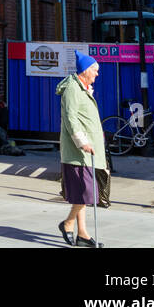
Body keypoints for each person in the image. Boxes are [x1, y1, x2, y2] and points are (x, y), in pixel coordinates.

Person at [56, 50, 105, 247]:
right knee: (87, 192)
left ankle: (82, 233)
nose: (97, 74)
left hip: (87, 151)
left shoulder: (82, 88)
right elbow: (70, 117)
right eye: (95, 70)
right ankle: (68, 223)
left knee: (83, 192)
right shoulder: (72, 90)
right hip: (78, 152)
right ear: (85, 70)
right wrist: (82, 141)